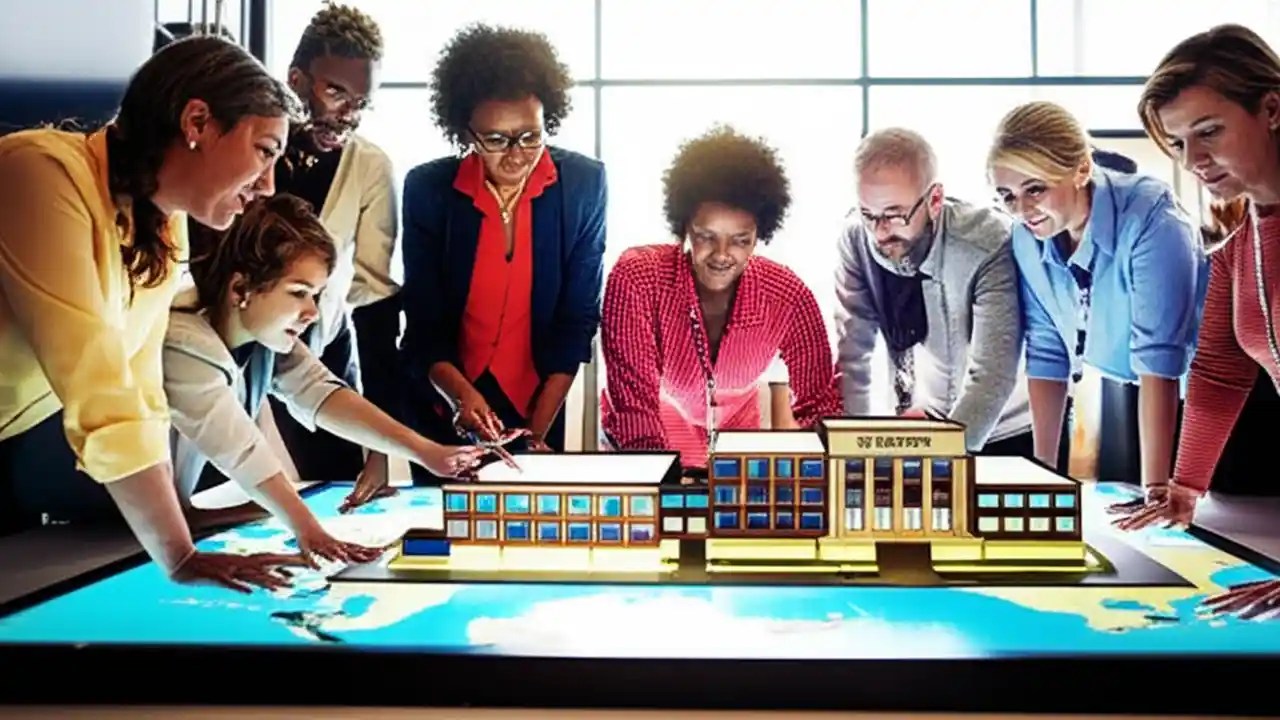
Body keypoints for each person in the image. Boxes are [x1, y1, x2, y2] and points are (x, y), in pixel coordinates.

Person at [0, 36, 307, 587]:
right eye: (265, 151)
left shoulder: (166, 224)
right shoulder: (37, 172)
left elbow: (144, 392)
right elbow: (98, 381)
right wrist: (179, 554)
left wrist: (180, 540)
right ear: (197, 122)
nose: (267, 187)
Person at [164, 194, 484, 578]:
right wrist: (309, 529)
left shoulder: (264, 341)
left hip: (168, 518)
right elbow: (240, 450)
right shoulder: (183, 342)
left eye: (315, 296)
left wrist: (427, 451)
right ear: (240, 289)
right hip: (104, 524)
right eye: (299, 293)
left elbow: (324, 393)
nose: (312, 312)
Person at [1108, 24, 1280, 619]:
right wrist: (1183, 488)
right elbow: (1217, 373)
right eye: (1180, 143)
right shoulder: (1237, 248)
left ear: (1271, 108)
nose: (1195, 160)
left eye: (1209, 132)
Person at [399, 23, 606, 480]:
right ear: (465, 131)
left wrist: (534, 433)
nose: (516, 155)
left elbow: (577, 318)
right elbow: (424, 324)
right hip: (446, 403)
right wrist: (460, 398)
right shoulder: (428, 191)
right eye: (495, 139)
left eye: (530, 136)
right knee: (447, 537)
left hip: (541, 401)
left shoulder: (584, 186)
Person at [987, 100, 1207, 493]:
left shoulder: (1150, 217)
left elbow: (1159, 356)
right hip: (1134, 386)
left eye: (1035, 189)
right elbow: (1046, 350)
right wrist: (1044, 476)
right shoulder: (1026, 238)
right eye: (1007, 195)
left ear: (1082, 170)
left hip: (1215, 397)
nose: (1021, 210)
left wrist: (1155, 490)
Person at [600, 124, 842, 471]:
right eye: (706, 236)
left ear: (760, 234)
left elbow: (820, 405)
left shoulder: (788, 296)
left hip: (736, 441)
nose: (722, 254)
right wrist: (657, 482)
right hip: (651, 433)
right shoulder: (639, 277)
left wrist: (828, 479)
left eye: (740, 240)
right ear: (685, 227)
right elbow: (635, 407)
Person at [262, 1, 402, 490]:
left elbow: (374, 312)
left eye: (362, 102)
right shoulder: (251, 154)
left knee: (334, 520)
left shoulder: (370, 169)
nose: (348, 115)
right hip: (239, 371)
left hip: (322, 370)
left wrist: (379, 447)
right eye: (335, 92)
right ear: (296, 80)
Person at [835, 127, 1031, 455]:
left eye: (896, 215)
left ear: (935, 199)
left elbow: (992, 376)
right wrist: (850, 452)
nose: (880, 232)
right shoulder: (857, 240)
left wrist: (940, 463)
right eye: (869, 214)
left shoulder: (987, 244)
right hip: (926, 426)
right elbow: (852, 355)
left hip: (1006, 427)